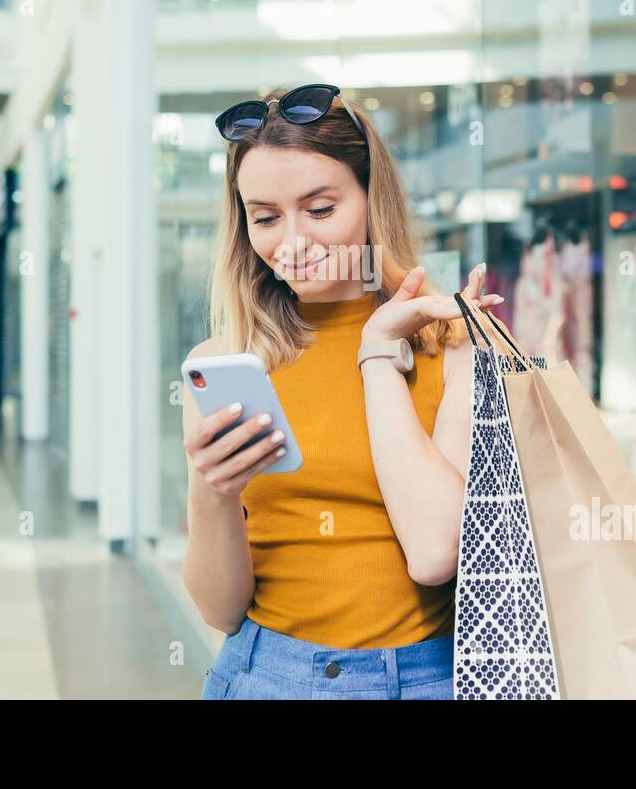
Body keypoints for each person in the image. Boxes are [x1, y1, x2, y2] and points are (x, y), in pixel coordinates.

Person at [183, 84, 505, 700]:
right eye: (267, 217)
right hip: (261, 675)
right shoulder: (224, 363)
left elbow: (438, 553)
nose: (294, 243)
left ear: (370, 197)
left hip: (424, 679)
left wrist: (379, 350)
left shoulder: (457, 343)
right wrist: (213, 490)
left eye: (321, 209)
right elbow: (220, 610)